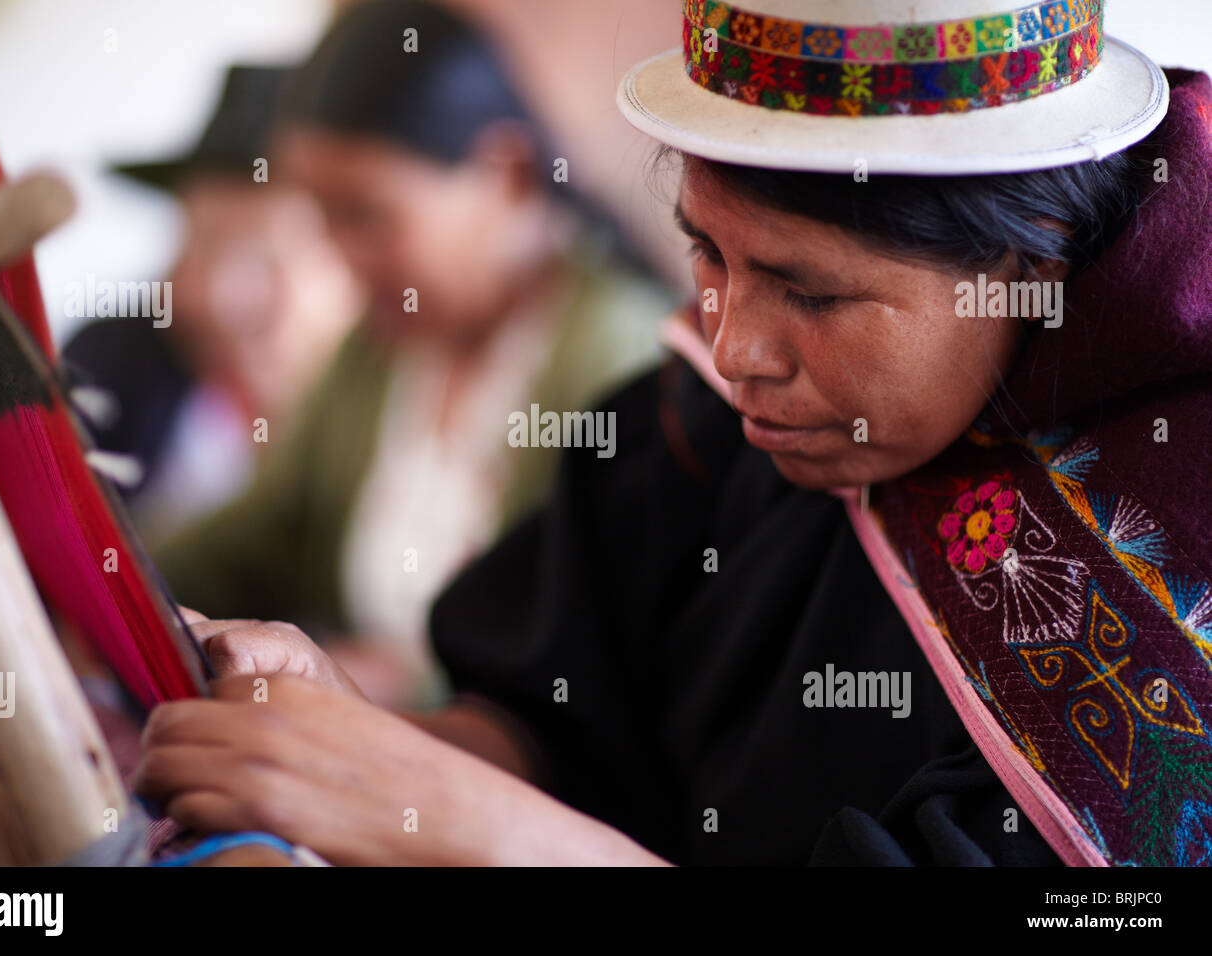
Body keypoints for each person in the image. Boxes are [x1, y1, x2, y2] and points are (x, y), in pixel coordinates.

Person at [134, 0, 1212, 865]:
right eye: (708, 253)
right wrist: (354, 730)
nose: (734, 344)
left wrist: (483, 830)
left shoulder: (1174, 563)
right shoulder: (692, 433)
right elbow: (547, 726)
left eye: (812, 292)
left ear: (1032, 267)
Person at [152, 0, 670, 709]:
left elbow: (586, 670)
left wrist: (391, 684)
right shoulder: (378, 352)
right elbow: (249, 541)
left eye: (367, 214)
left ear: (506, 174)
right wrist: (101, 570)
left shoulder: (624, 364)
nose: (339, 253)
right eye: (324, 217)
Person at [65, 65, 357, 538]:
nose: (212, 298)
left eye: (261, 260)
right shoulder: (114, 368)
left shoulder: (398, 418)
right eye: (197, 247)